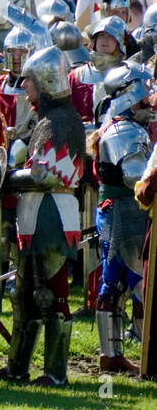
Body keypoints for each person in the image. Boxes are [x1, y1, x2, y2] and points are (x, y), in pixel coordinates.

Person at [0, 47, 85, 386]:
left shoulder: (63, 123)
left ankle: (55, 373)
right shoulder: (40, 121)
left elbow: (45, 175)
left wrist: (4, 179)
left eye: (29, 81)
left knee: (52, 294)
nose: (24, 87)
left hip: (54, 214)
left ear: (46, 81)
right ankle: (17, 368)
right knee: (23, 295)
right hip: (33, 213)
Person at [89, 64, 152, 373]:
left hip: (117, 211)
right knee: (140, 282)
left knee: (116, 283)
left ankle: (113, 354)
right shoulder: (124, 130)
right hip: (125, 210)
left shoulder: (120, 126)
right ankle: (143, 353)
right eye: (143, 96)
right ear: (129, 96)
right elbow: (134, 176)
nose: (149, 102)